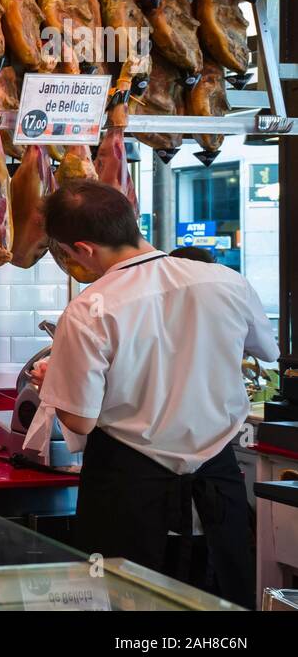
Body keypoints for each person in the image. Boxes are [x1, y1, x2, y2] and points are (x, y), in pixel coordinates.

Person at [36, 180, 277, 608]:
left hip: (128, 493)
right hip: (217, 485)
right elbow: (266, 350)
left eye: (70, 255)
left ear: (85, 249)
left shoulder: (90, 309)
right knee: (217, 604)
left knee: (125, 606)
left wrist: (53, 383)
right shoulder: (225, 281)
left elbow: (80, 421)